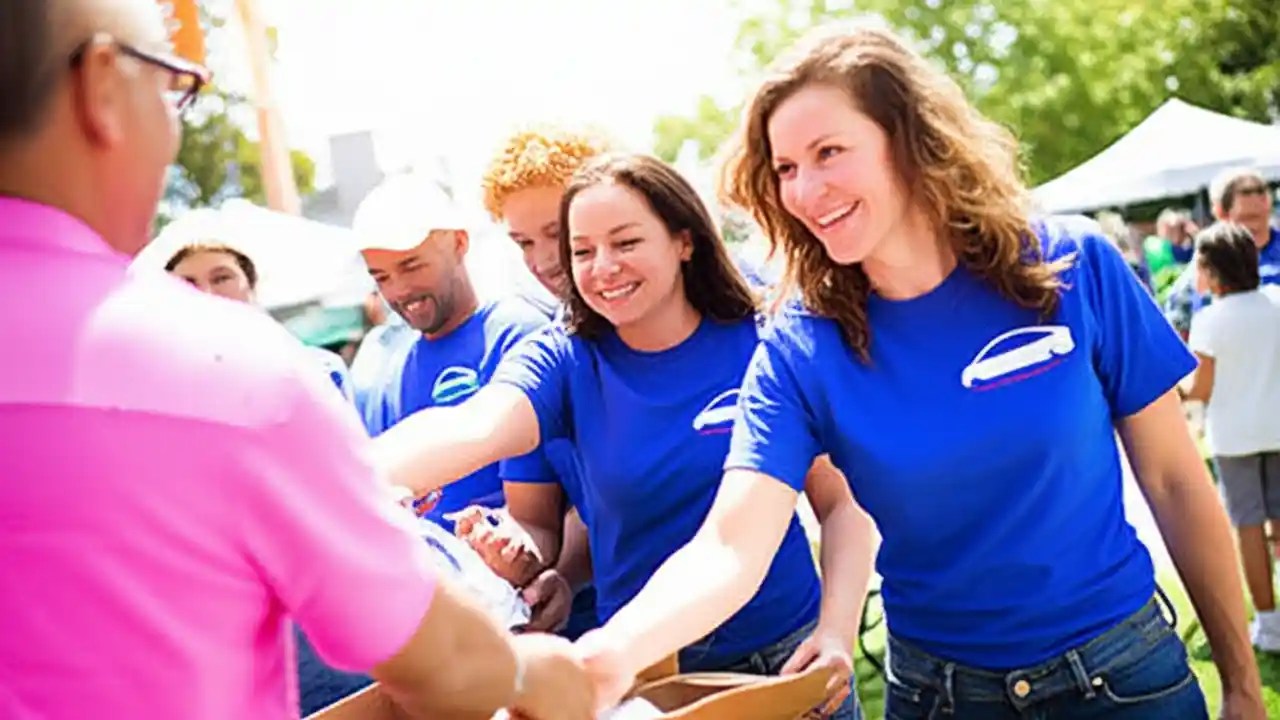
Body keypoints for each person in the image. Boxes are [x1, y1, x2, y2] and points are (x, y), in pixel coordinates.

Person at [572, 25, 1266, 720]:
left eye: (828, 153)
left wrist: (1239, 681)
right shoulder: (798, 348)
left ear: (908, 139)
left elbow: (1176, 481)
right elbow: (730, 544)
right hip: (941, 698)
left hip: (1121, 680)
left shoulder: (1072, 267)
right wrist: (613, 651)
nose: (806, 191)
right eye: (785, 169)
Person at [0, 1, 592, 719]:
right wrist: (531, 677)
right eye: (172, 86)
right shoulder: (223, 369)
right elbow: (448, 665)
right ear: (101, 88)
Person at [378, 153, 871, 719]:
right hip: (643, 673)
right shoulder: (565, 359)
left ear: (684, 241)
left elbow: (839, 502)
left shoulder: (763, 342)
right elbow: (475, 424)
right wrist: (340, 484)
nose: (602, 267)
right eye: (583, 251)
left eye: (626, 242)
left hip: (785, 662)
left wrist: (836, 629)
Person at [470, 124, 613, 641]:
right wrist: (514, 550)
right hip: (627, 644)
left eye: (557, 233)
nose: (544, 261)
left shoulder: (731, 317)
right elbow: (540, 520)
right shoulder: (545, 352)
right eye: (524, 242)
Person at [350, 173, 551, 529]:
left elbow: (551, 504)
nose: (399, 291)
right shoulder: (382, 361)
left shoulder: (520, 333)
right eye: (381, 277)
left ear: (459, 243)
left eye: (411, 266)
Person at [1180, 222, 1280, 653]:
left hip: (1234, 437)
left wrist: (1179, 384)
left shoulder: (1208, 320)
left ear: (1211, 269)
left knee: (1249, 526)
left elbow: (1200, 390)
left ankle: (1271, 627)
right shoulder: (1276, 302)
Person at [162, 240, 354, 401]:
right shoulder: (159, 383)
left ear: (251, 287)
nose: (206, 292)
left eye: (221, 278)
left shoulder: (317, 370)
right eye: (187, 282)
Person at [1163, 168, 1280, 338]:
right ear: (1219, 211)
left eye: (1262, 190)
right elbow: (1179, 322)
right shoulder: (1208, 259)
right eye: (1246, 192)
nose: (1257, 198)